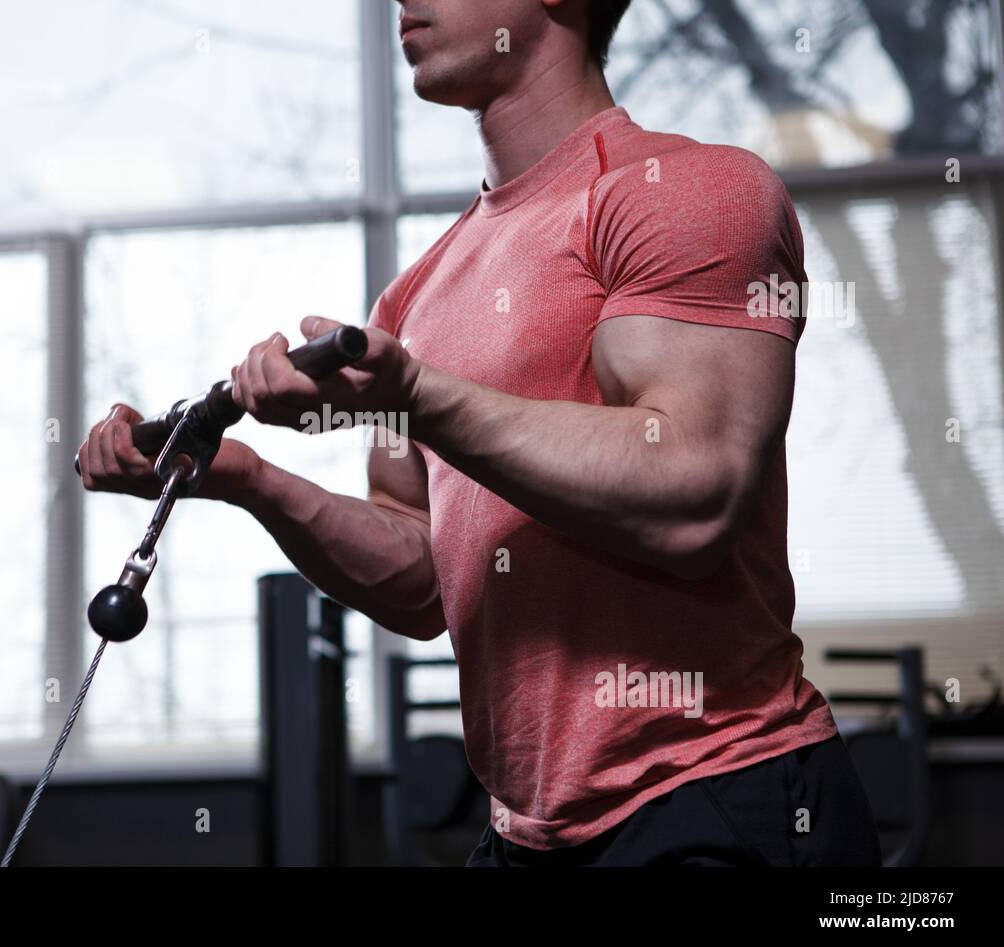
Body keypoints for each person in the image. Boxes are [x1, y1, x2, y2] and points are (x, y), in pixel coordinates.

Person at [79, 0, 881, 866]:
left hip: (716, 794)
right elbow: (426, 576)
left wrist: (421, 398)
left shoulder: (688, 193)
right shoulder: (418, 293)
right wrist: (248, 479)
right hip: (526, 834)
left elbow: (693, 492)